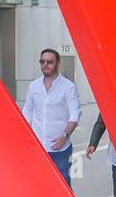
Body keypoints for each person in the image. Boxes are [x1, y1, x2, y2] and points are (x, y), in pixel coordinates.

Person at [24, 48, 81, 186]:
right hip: (38, 148)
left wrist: (65, 135)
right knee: (38, 186)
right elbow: (27, 113)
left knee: (64, 187)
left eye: (49, 62)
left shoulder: (68, 87)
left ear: (58, 63)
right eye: (42, 61)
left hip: (60, 149)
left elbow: (75, 114)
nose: (45, 65)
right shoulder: (34, 86)